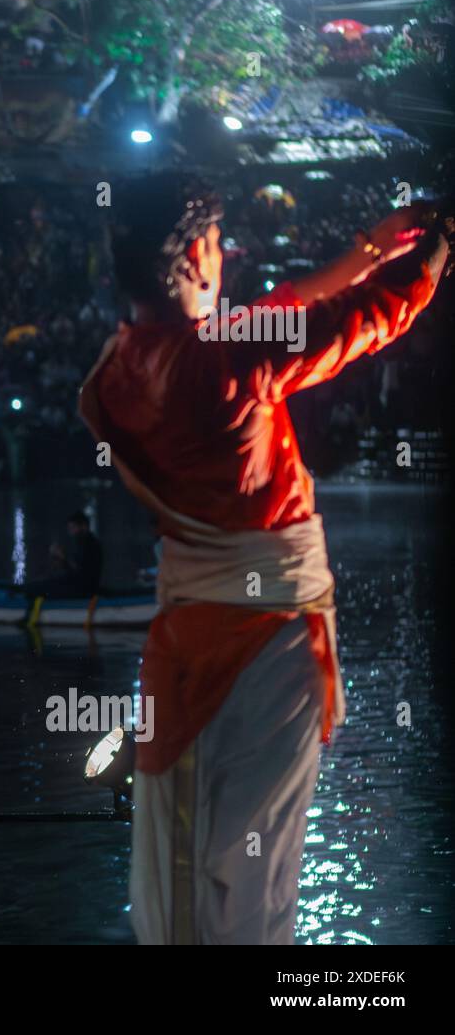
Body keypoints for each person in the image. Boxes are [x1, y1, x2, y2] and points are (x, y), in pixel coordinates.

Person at [79, 175, 448, 944]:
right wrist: (432, 257)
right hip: (269, 642)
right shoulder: (221, 361)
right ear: (185, 262)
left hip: (186, 641)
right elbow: (363, 321)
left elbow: (278, 310)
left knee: (192, 853)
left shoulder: (114, 375)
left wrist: (373, 245)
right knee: (258, 873)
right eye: (213, 243)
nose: (225, 257)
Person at [21, 510, 102, 599]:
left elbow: (81, 574)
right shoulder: (83, 544)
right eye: (70, 529)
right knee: (39, 584)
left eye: (73, 528)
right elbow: (74, 570)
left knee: (36, 588)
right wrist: (61, 560)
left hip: (82, 589)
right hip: (78, 586)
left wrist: (62, 558)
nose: (71, 532)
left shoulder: (90, 546)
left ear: (84, 526)